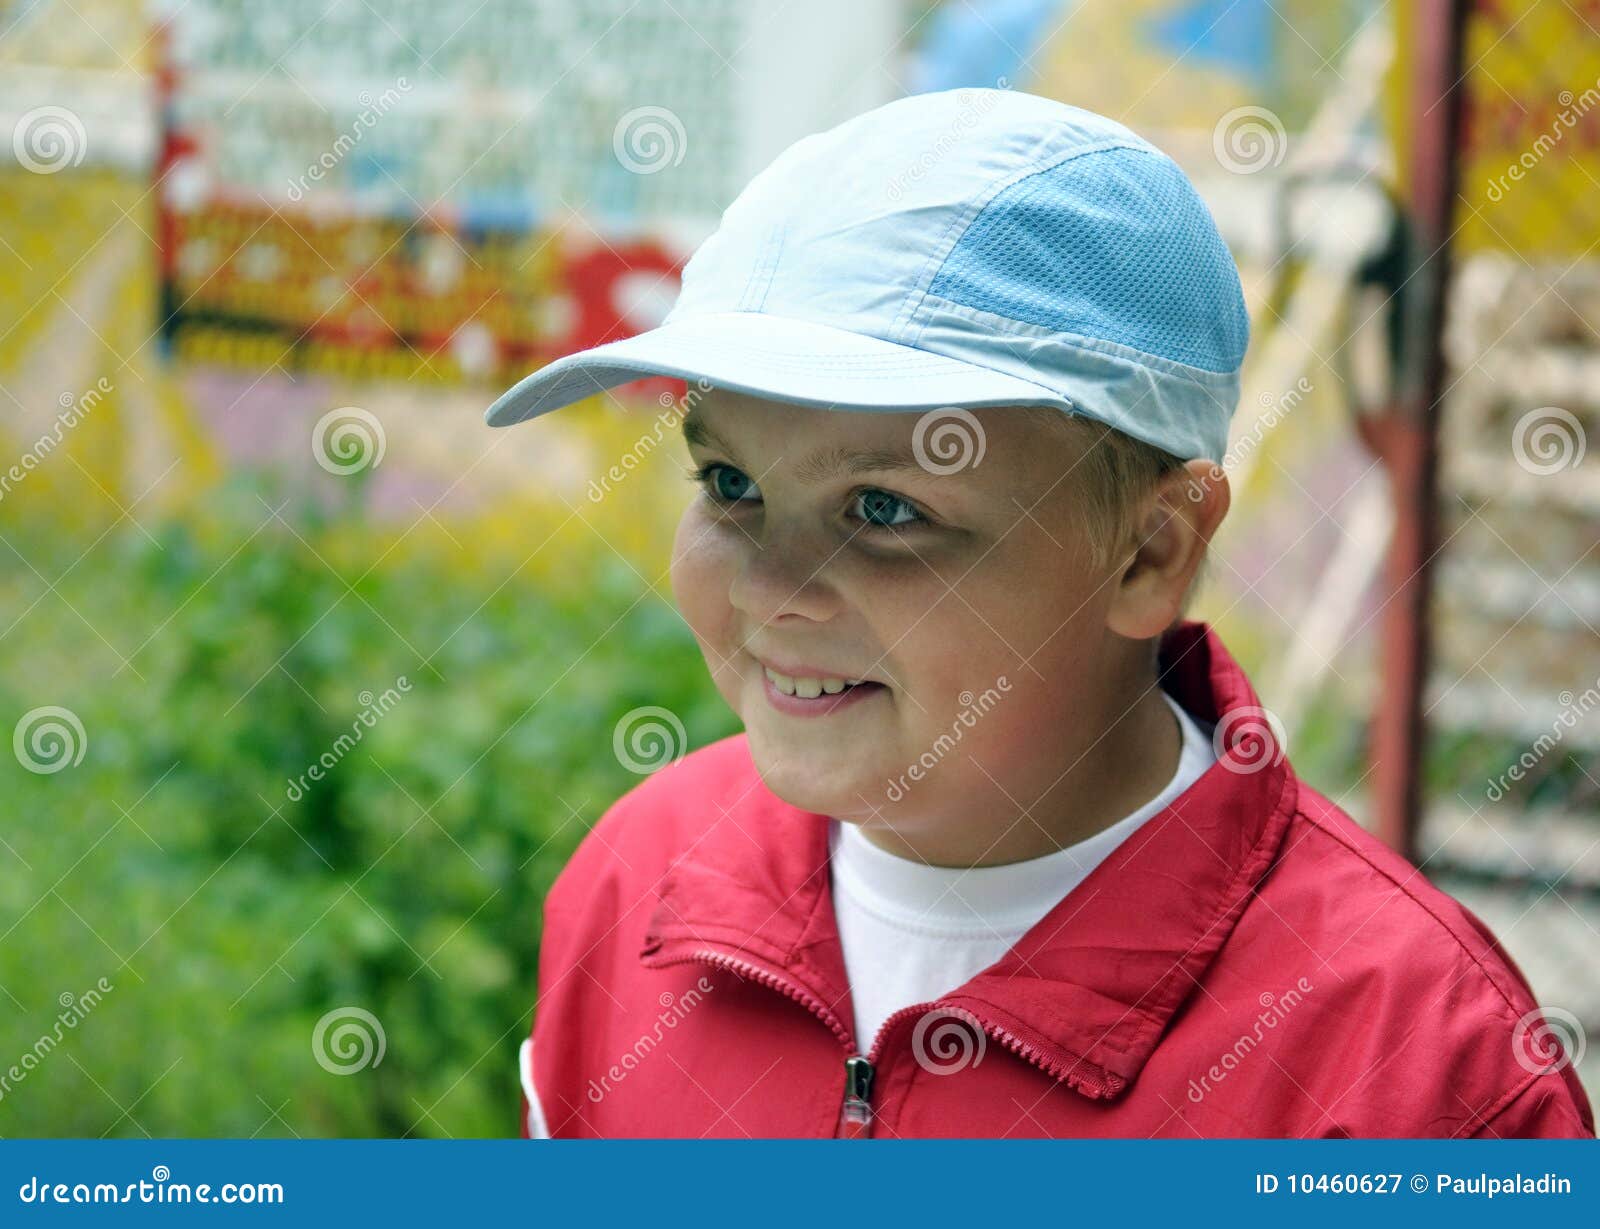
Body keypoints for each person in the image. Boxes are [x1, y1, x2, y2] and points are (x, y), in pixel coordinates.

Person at [486, 88, 1594, 1138]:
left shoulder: (1409, 1067)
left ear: (1150, 552)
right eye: (731, 484)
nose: (769, 590)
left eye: (885, 508)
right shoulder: (642, 880)